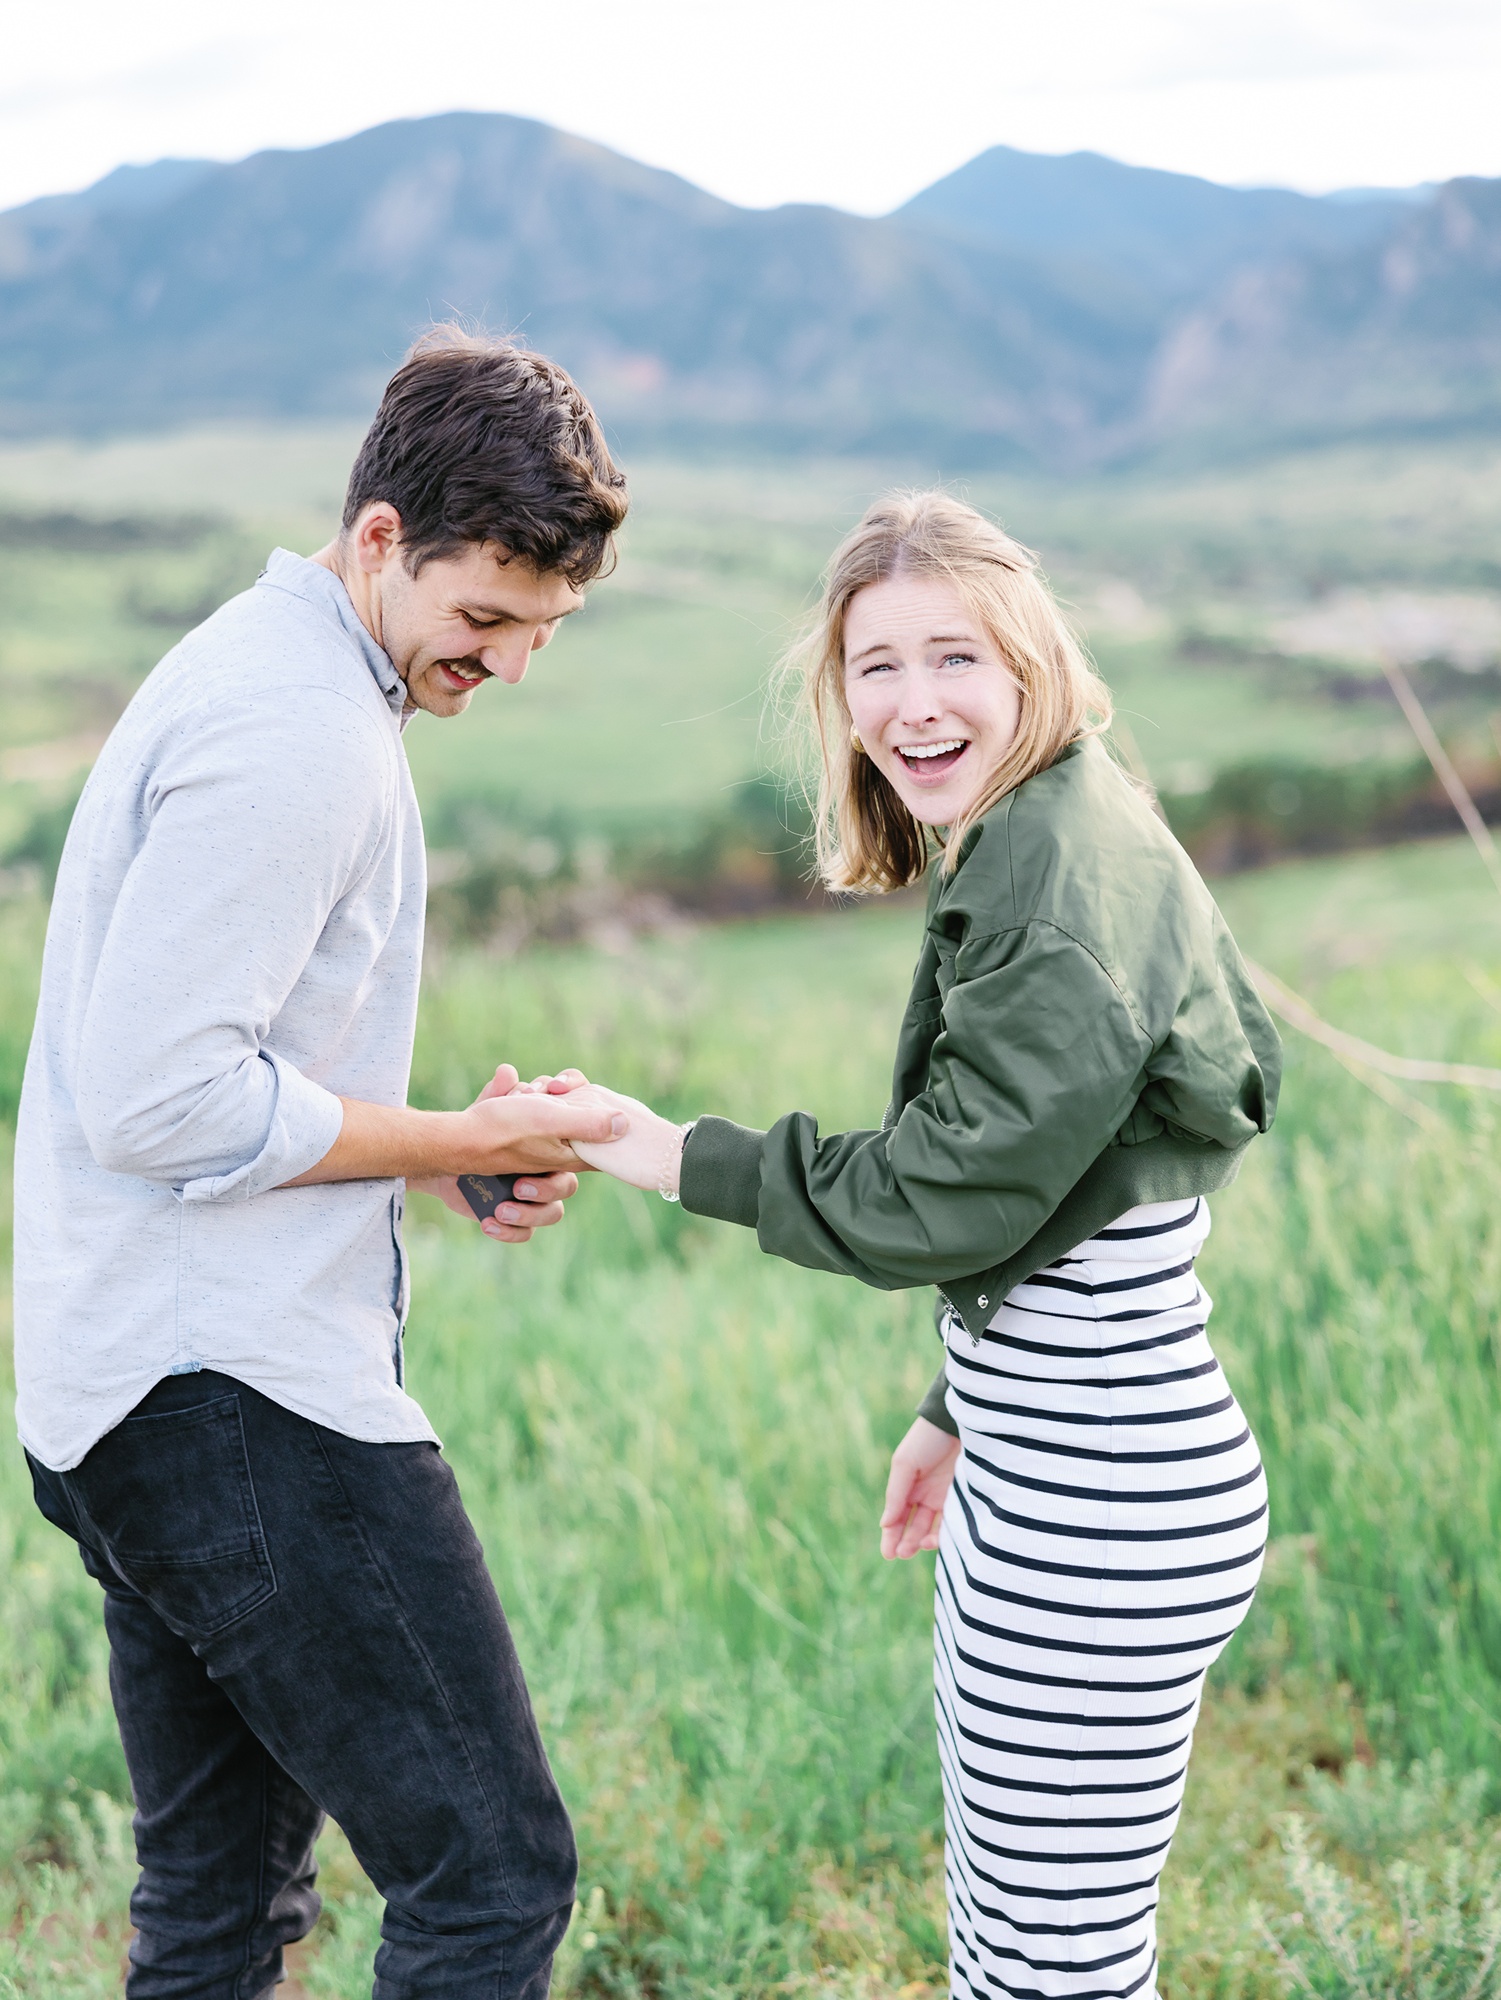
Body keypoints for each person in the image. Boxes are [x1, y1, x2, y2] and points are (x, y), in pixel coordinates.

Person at [563, 492, 1281, 2000]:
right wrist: (963, 1406)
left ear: (1027, 657)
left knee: (1048, 1970)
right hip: (1067, 1466)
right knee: (1025, 1948)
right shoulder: (1039, 827)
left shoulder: (1049, 880)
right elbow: (1072, 1187)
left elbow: (948, 1192)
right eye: (872, 666)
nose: (910, 703)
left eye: (950, 656)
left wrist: (663, 1150)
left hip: (1098, 1513)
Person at [15, 328, 631, 2000]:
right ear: (378, 540)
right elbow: (157, 1100)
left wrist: (427, 1158)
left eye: (539, 631)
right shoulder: (302, 730)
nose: (505, 665)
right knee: (489, 1880)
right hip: (234, 1401)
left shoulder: (255, 662)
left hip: (127, 1383)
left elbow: (214, 1065)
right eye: (484, 617)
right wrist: (452, 1136)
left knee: (217, 1907)